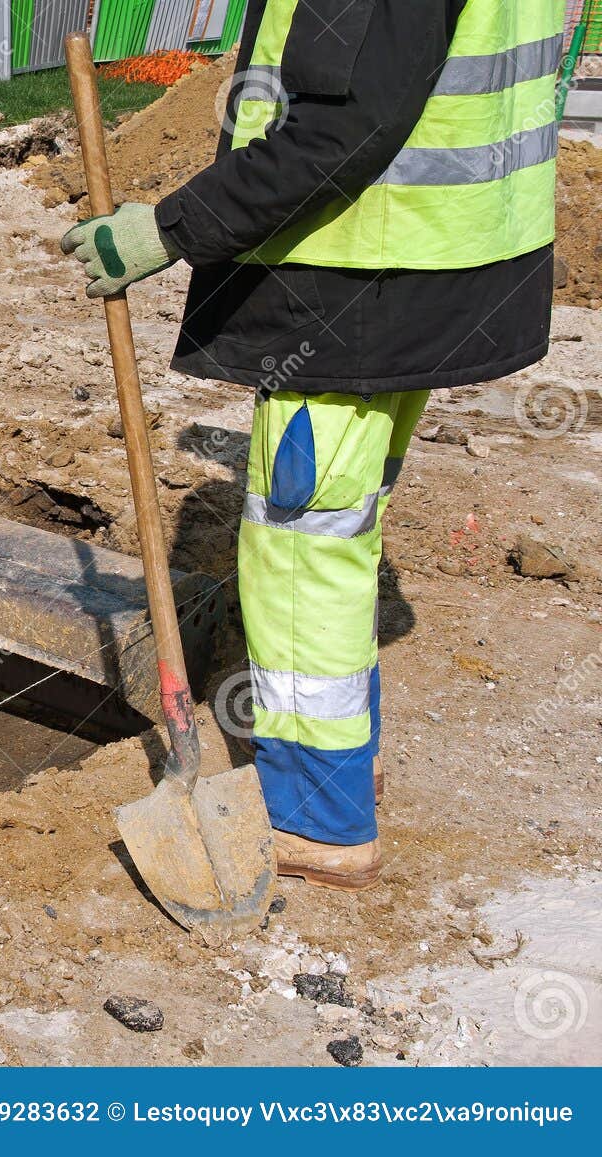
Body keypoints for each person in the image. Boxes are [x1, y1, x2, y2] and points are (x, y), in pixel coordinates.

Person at [61, 0, 561, 889]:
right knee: (344, 523)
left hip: (352, 271)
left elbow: (339, 129)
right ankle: (341, 764)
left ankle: (313, 816)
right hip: (437, 262)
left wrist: (169, 230)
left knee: (300, 548)